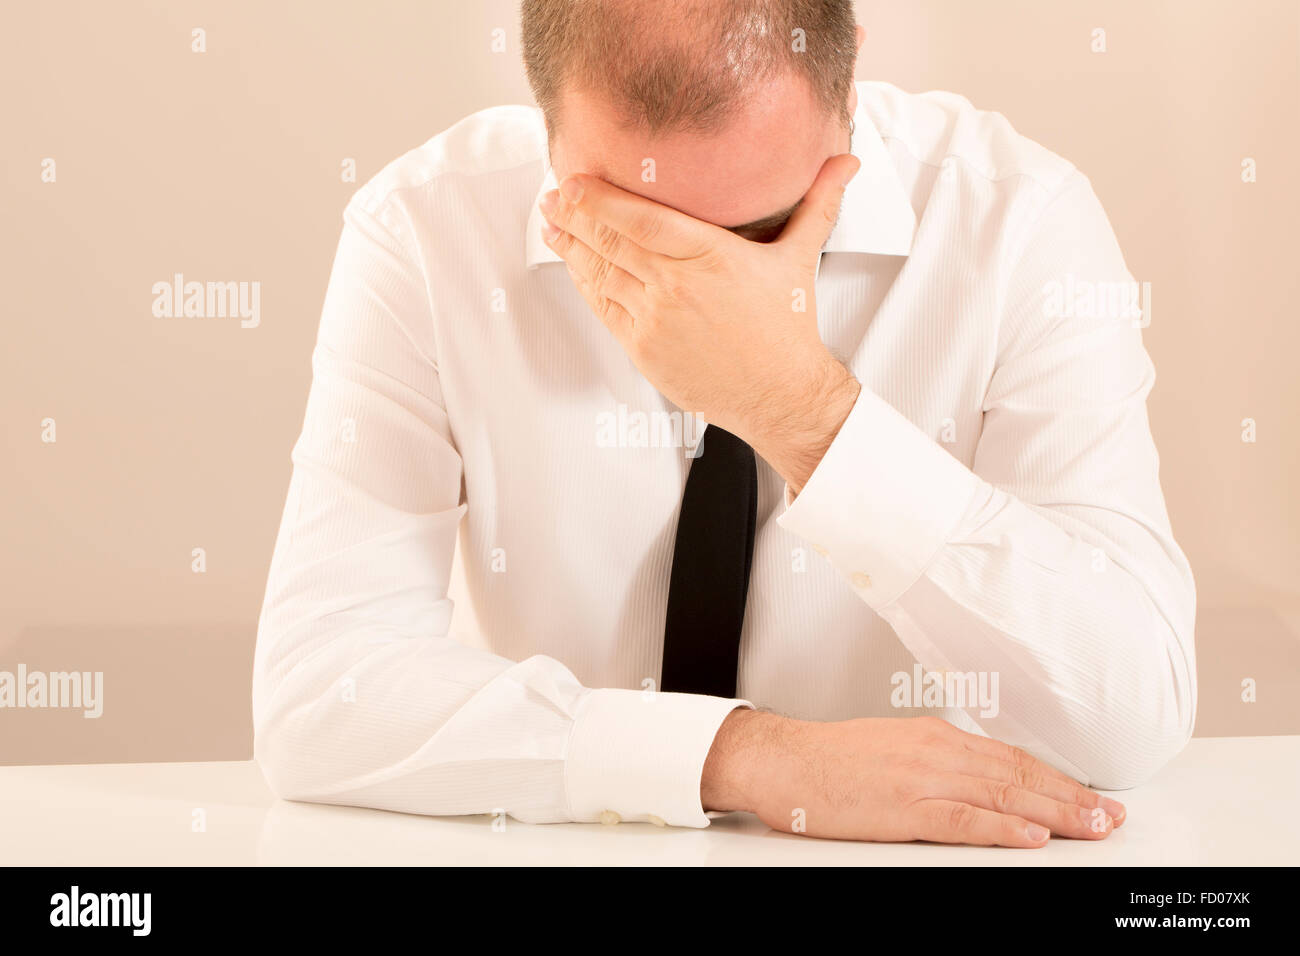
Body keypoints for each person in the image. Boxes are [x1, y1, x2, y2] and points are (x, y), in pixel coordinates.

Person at [252, 0, 1195, 847]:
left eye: (762, 230)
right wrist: (747, 758)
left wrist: (800, 411)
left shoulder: (1017, 222)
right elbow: (316, 692)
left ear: (851, 78)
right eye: (630, 229)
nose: (698, 288)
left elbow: (1129, 718)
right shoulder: (424, 229)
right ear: (544, 122)